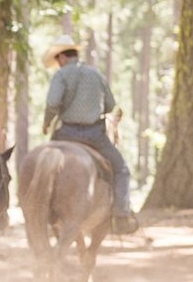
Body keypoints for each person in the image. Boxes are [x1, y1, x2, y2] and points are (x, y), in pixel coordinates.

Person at [41, 40, 138, 235]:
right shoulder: (96, 74)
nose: (58, 64)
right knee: (121, 169)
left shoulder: (61, 75)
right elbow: (110, 105)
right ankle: (121, 214)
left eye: (57, 60)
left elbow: (52, 103)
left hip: (66, 134)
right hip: (95, 135)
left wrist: (47, 123)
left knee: (44, 168)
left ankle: (42, 211)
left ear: (62, 57)